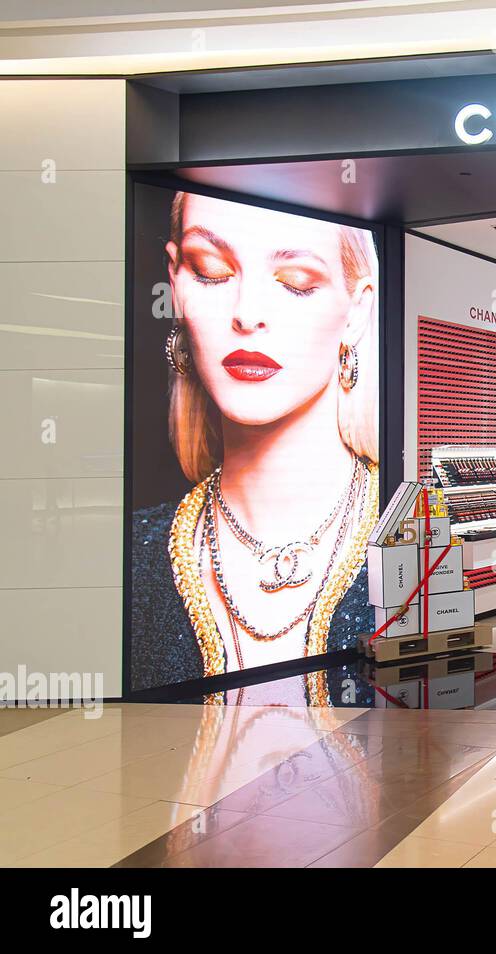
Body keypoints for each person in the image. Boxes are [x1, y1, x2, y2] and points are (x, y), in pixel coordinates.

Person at [131, 191, 380, 705]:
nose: (247, 314)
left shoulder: (407, 533)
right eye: (212, 271)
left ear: (357, 309)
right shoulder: (132, 557)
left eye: (295, 283)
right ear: (175, 282)